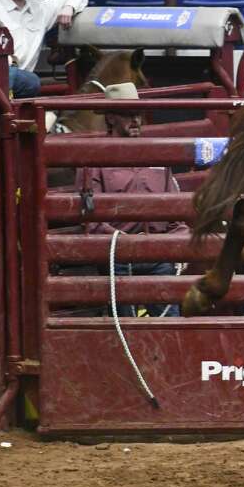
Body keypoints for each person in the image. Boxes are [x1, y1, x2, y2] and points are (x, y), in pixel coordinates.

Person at [74, 83, 185, 317]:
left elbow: (177, 217)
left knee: (169, 323)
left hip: (158, 253)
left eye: (138, 114)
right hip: (119, 256)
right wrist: (124, 243)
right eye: (128, 114)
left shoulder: (157, 157)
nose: (135, 120)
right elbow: (91, 221)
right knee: (128, 323)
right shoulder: (94, 160)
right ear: (111, 119)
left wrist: (177, 245)